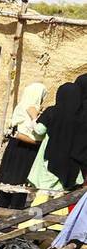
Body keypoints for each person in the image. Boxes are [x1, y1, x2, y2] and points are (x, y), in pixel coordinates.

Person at [26, 78, 87, 206]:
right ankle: (58, 225)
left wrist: (33, 121)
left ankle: (34, 224)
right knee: (60, 196)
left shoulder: (52, 111)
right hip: (71, 164)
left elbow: (40, 130)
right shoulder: (82, 117)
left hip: (50, 160)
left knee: (42, 194)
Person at [0, 82, 48, 209]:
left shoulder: (24, 107)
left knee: (15, 183)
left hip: (19, 149)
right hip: (23, 150)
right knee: (16, 183)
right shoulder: (29, 109)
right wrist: (39, 143)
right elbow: (19, 134)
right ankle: (3, 214)